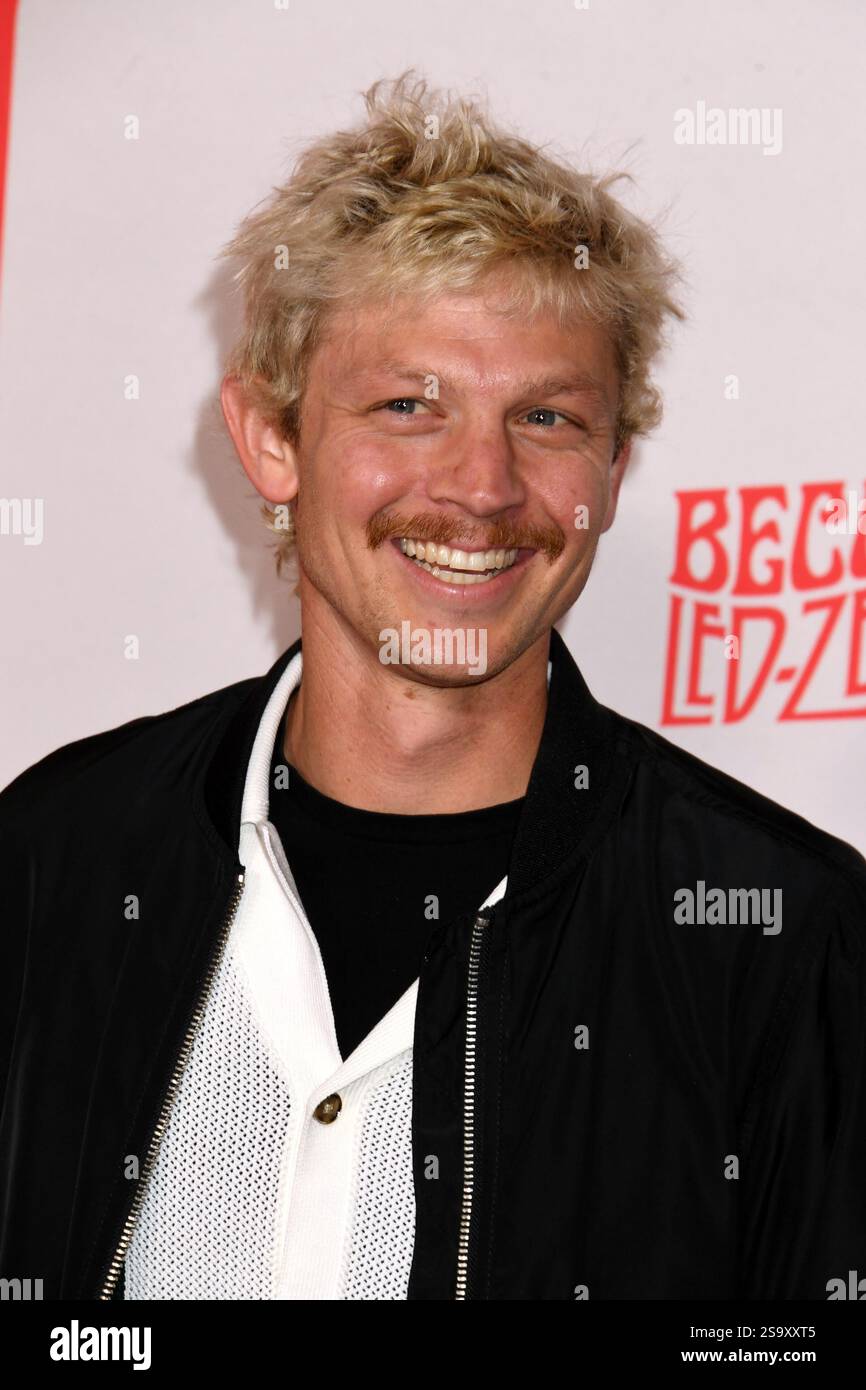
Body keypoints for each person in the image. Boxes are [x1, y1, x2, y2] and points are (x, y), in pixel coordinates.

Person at [1, 72, 864, 1303]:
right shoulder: (53, 864)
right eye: (409, 405)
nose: (481, 486)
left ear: (611, 470)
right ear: (271, 439)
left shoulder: (788, 941)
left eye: (549, 418)